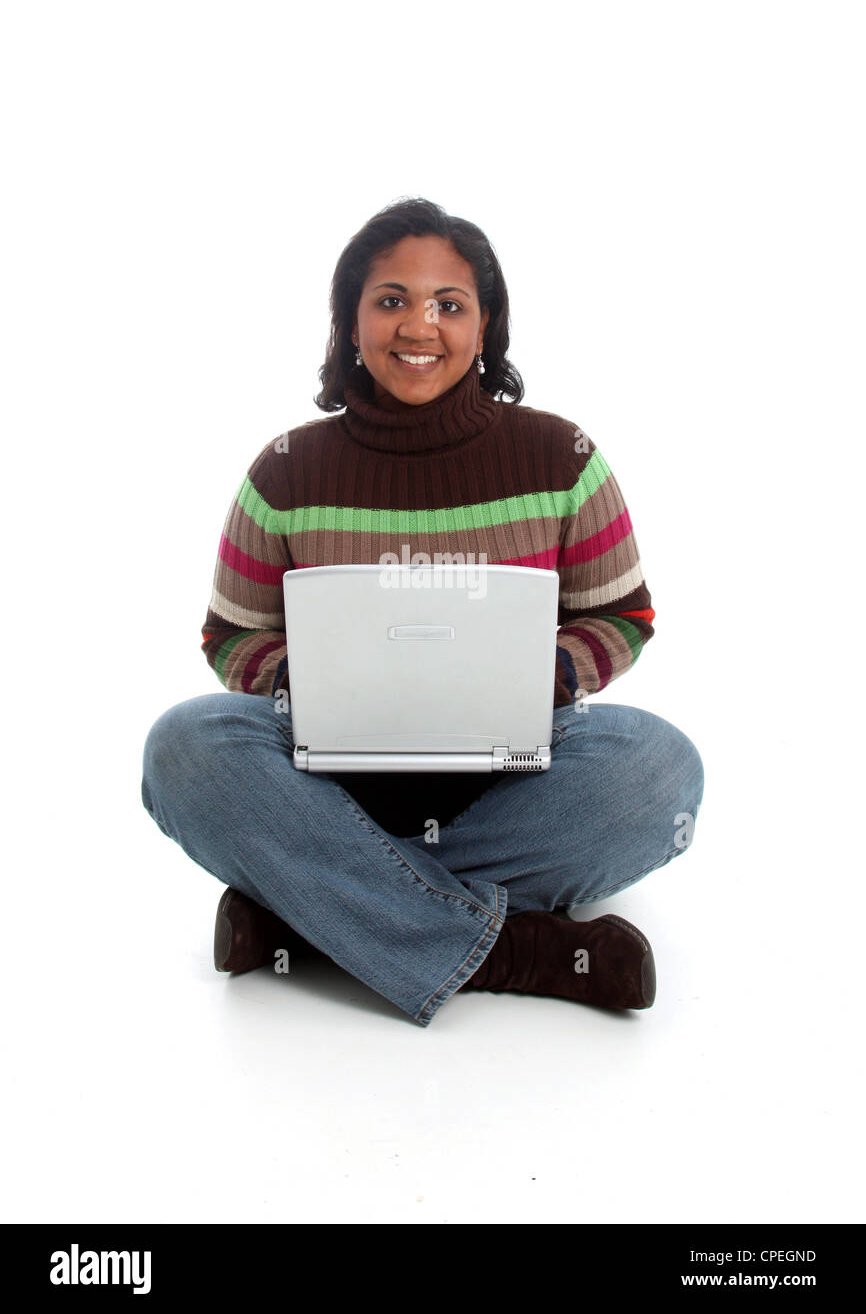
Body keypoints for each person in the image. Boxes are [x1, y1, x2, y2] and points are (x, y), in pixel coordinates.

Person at [140, 196, 705, 1028]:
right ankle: (518, 951)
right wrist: (309, 680)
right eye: (392, 300)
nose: (420, 326)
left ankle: (318, 914)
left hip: (512, 779)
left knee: (661, 769)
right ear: (351, 320)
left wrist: (546, 673)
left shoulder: (562, 457)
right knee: (185, 747)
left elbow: (622, 615)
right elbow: (231, 635)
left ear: (486, 325)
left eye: (450, 304)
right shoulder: (286, 471)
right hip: (329, 783)